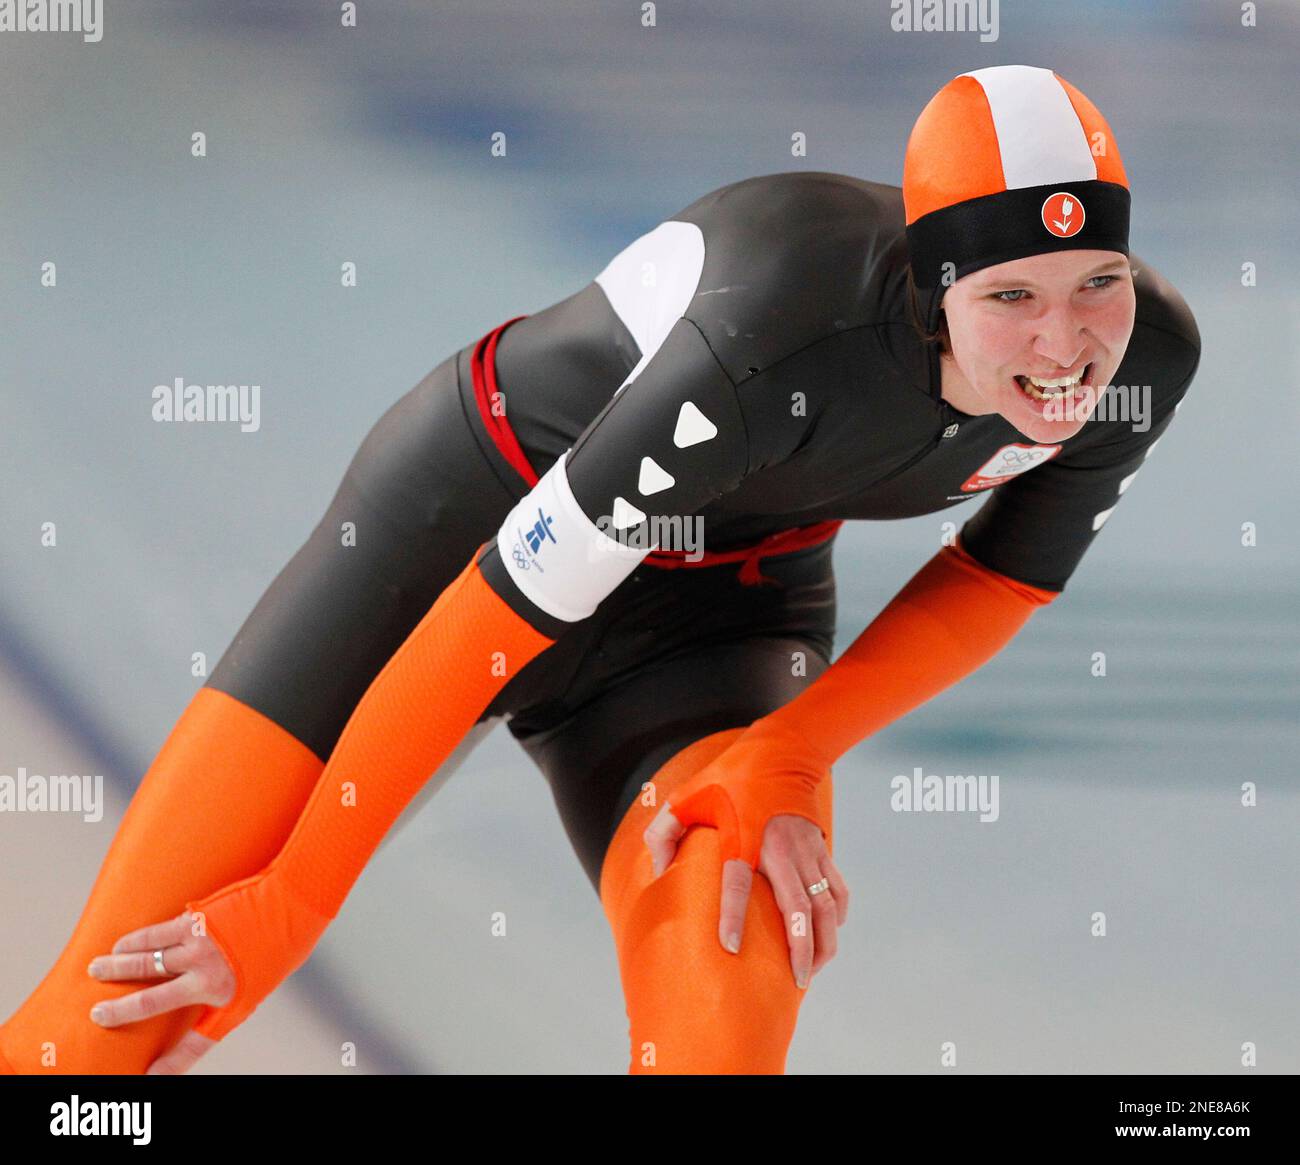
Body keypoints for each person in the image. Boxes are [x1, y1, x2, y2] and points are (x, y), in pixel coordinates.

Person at [0, 64, 1200, 1075]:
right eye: (1012, 298)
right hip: (462, 535)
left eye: (1095, 280)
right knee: (119, 1022)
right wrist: (295, 900)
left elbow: (1002, 578)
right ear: (933, 289)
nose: (1064, 346)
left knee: (728, 997)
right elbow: (495, 611)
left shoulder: (1145, 351)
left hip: (717, 609)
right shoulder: (773, 336)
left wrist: (787, 748)